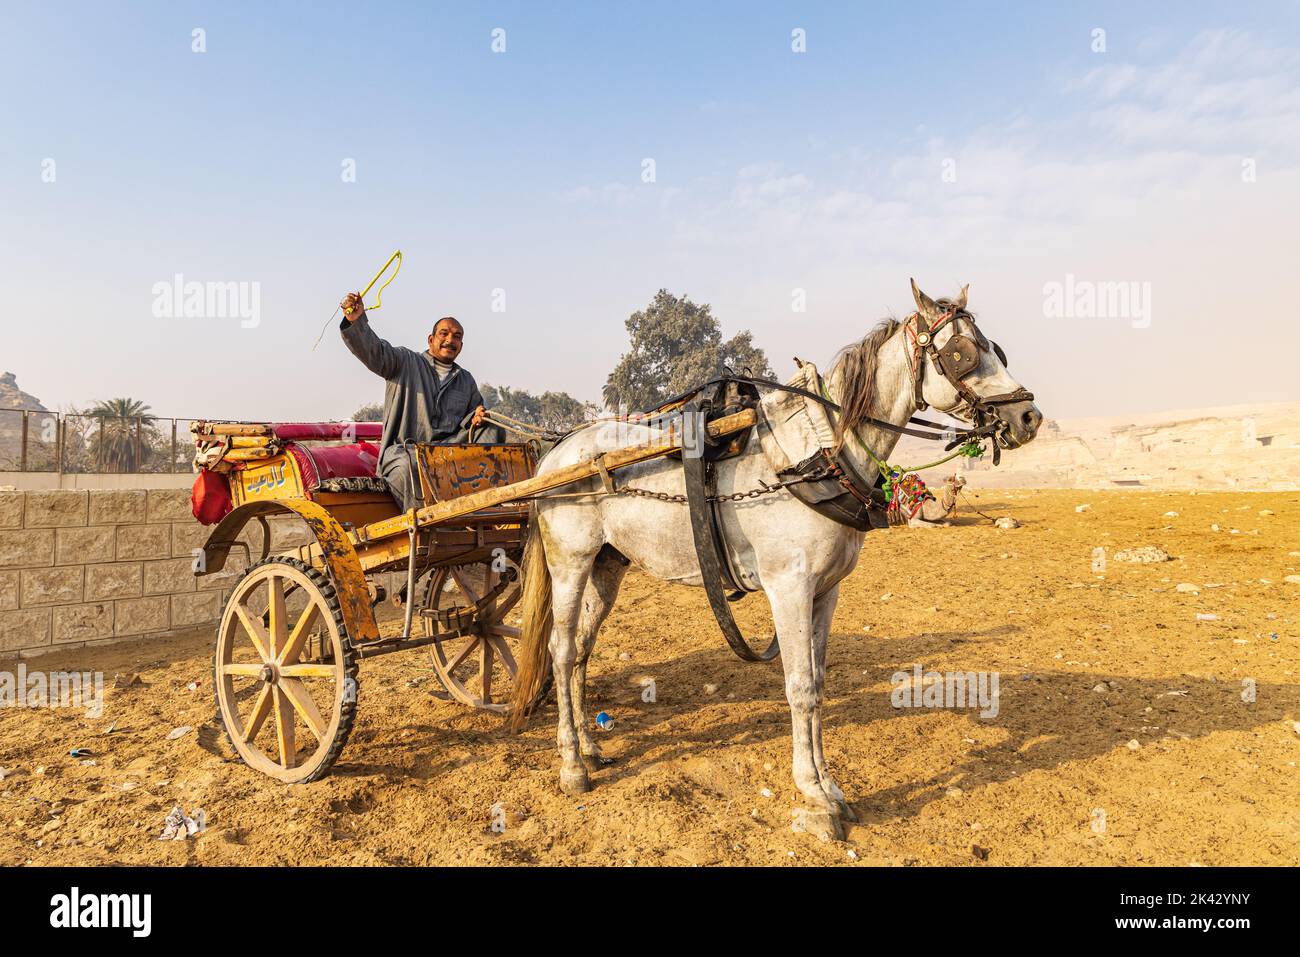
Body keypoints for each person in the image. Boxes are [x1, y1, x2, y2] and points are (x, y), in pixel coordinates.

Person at [338, 291, 500, 512]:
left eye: (457, 336)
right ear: (431, 340)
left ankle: (491, 510)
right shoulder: (404, 362)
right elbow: (374, 352)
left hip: (448, 456)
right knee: (411, 466)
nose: (450, 340)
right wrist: (356, 320)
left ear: (461, 345)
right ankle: (424, 529)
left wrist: (478, 417)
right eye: (444, 333)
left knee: (493, 429)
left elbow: (472, 422)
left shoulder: (466, 380)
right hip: (404, 454)